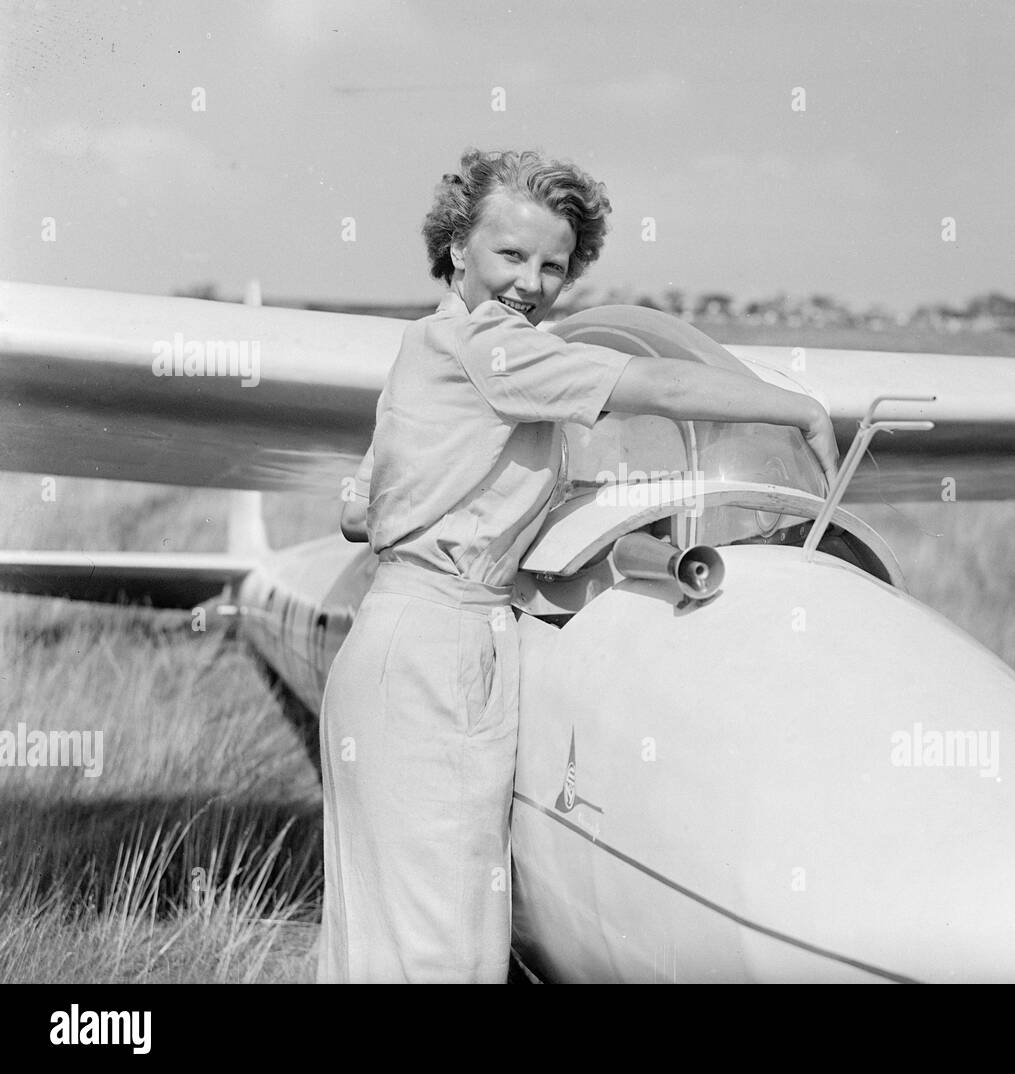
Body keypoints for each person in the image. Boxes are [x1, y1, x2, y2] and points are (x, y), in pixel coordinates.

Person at [318, 147, 838, 983]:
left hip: (410, 635)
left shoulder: (429, 342)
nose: (530, 283)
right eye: (510, 256)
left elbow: (358, 508)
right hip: (435, 651)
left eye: (552, 266)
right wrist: (798, 410)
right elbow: (653, 386)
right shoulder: (494, 347)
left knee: (395, 933)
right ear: (457, 249)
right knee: (441, 943)